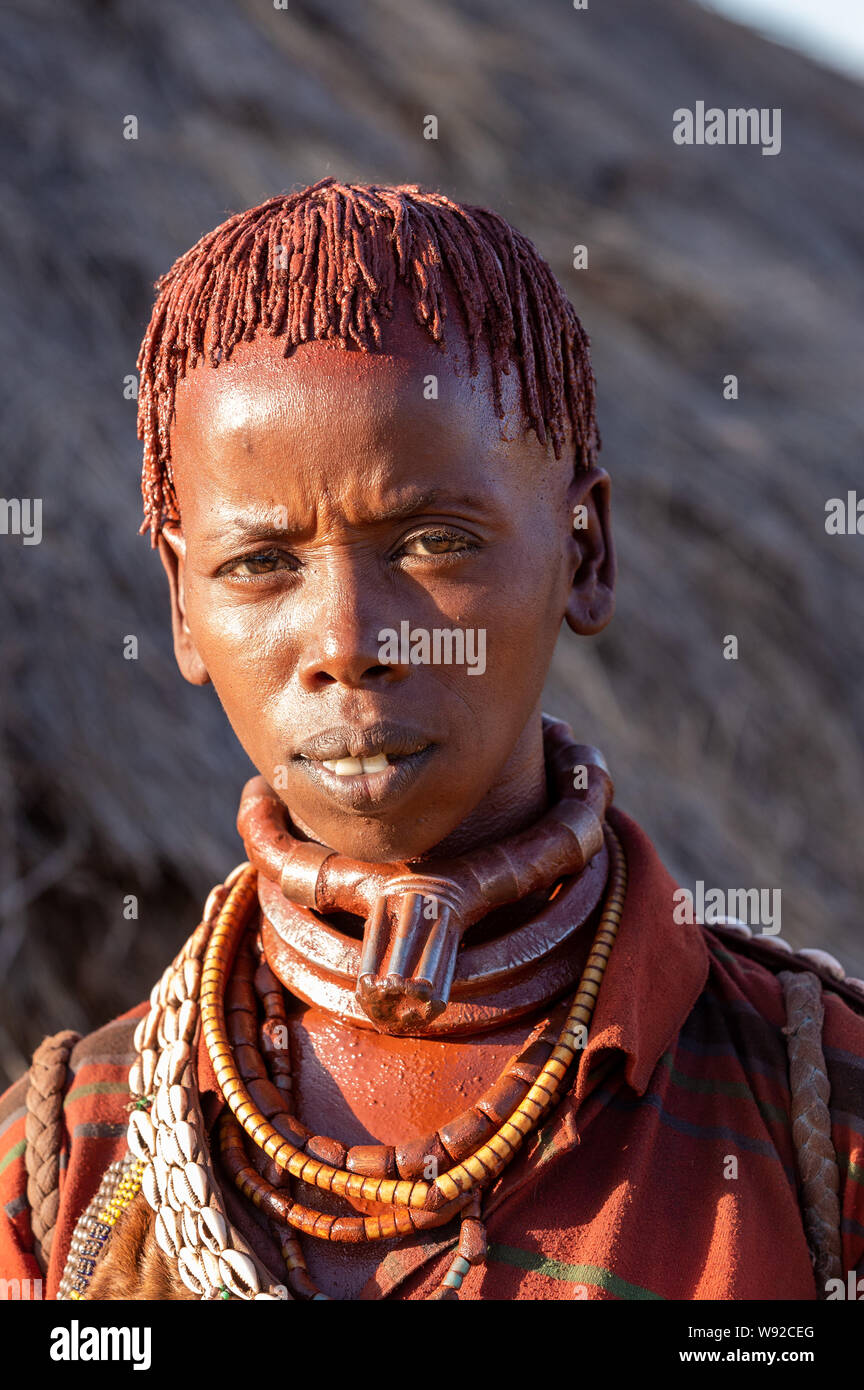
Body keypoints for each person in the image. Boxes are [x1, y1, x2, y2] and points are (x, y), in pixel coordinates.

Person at [1, 180, 862, 1302]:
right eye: (260, 564)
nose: (348, 643)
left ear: (585, 552)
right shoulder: (60, 1167)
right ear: (180, 604)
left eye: (433, 541)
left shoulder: (819, 1118)